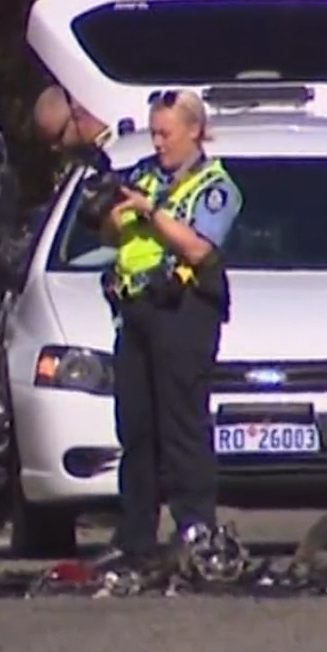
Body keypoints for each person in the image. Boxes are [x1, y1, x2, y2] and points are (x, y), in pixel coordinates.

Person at [99, 88, 242, 571]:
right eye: (153, 132)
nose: (157, 142)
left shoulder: (215, 186)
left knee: (182, 423)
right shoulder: (141, 176)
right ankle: (135, 533)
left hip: (183, 309)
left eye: (166, 133)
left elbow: (200, 248)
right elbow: (111, 233)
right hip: (136, 308)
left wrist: (150, 212)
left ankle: (195, 527)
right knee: (136, 426)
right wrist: (111, 216)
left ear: (195, 130)